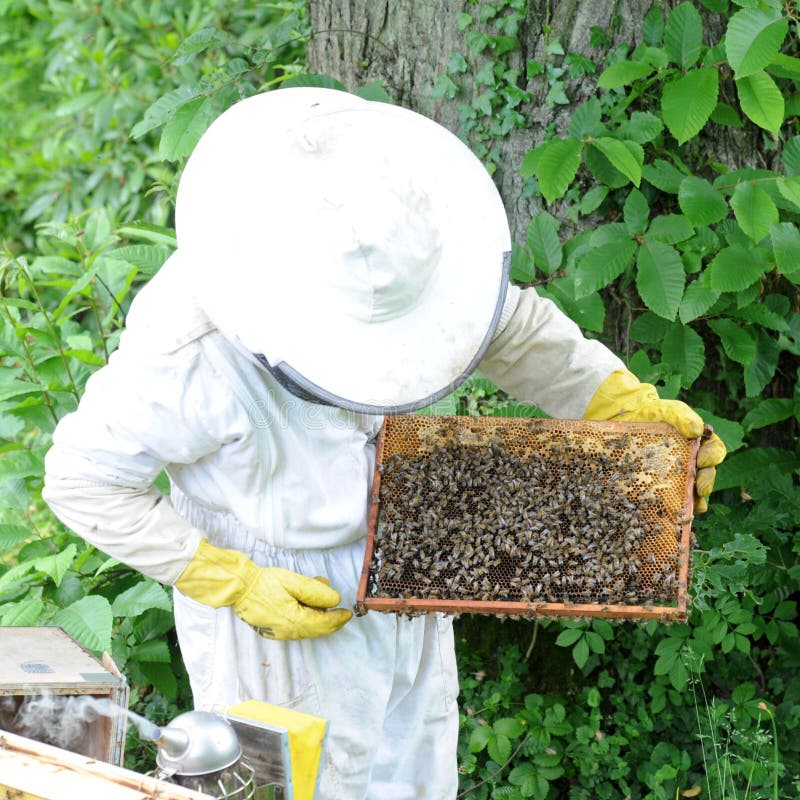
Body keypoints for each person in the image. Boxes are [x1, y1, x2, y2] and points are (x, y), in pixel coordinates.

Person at [43, 87, 725, 799]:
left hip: (411, 555)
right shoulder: (191, 349)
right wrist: (228, 579)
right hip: (282, 620)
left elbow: (509, 327)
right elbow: (81, 480)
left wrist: (621, 403)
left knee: (418, 781)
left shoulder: (396, 236)